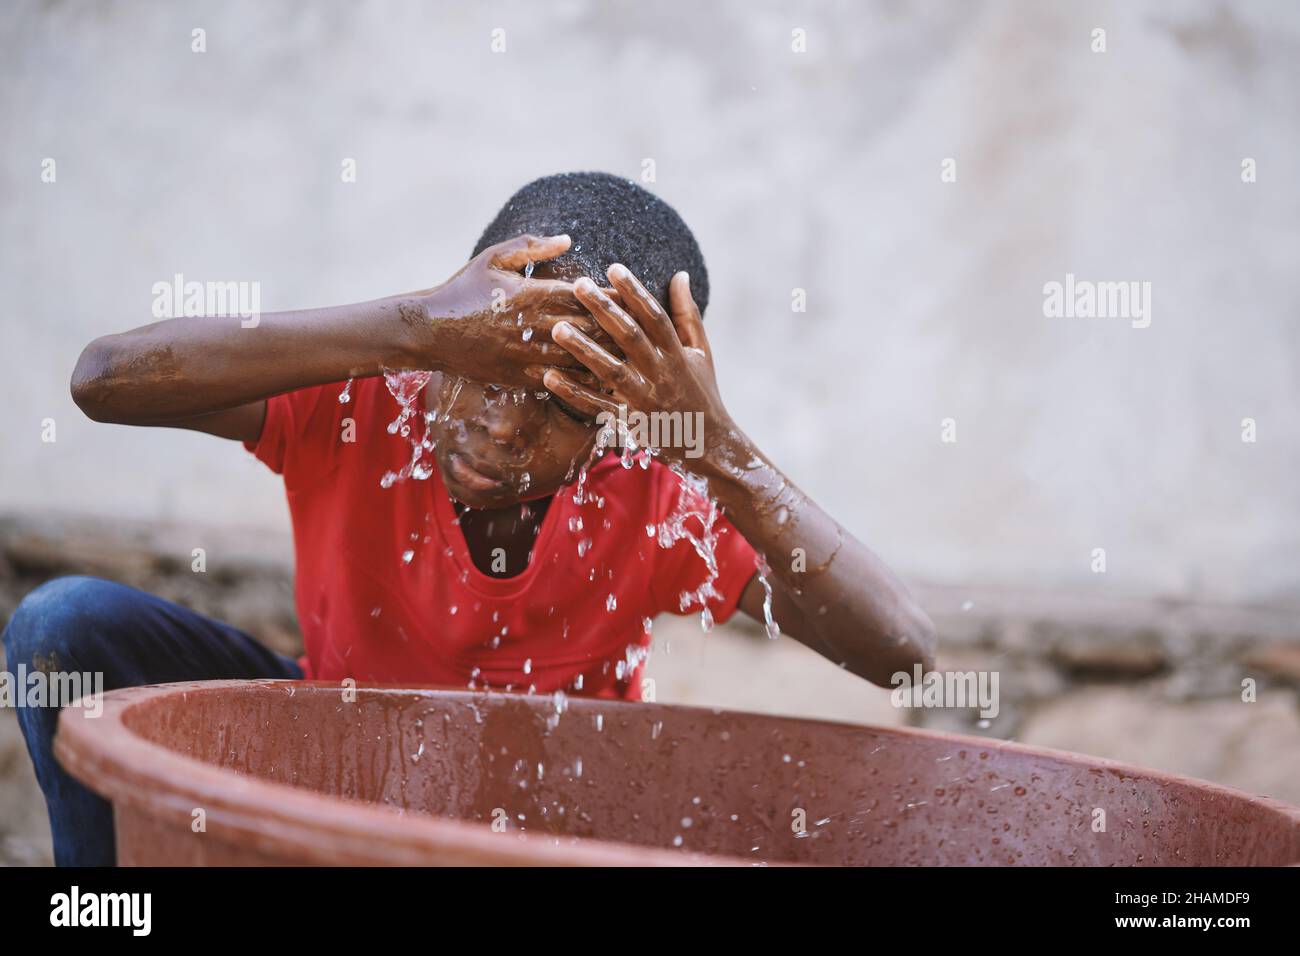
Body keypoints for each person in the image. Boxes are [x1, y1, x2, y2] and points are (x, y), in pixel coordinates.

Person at [3, 171, 935, 865]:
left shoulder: (655, 493)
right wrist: (411, 325)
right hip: (340, 771)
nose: (502, 424)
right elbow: (102, 381)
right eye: (488, 375)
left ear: (619, 429)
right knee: (65, 626)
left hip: (548, 831)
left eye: (565, 408)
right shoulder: (372, 401)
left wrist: (715, 444)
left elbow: (903, 651)